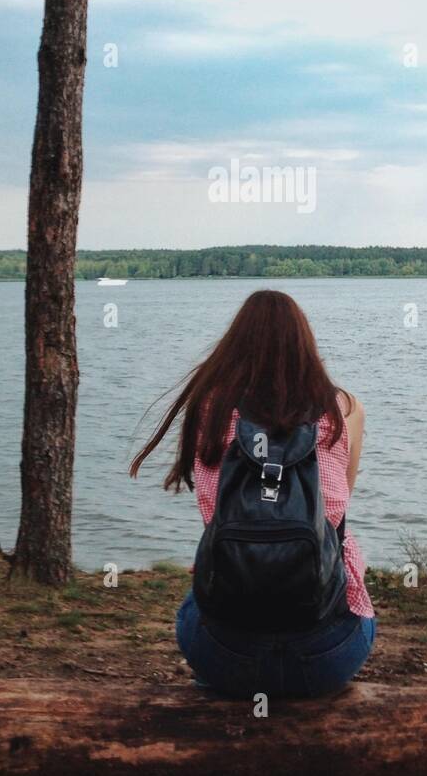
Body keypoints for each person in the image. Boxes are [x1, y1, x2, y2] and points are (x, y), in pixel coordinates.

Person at [129, 289, 375, 698]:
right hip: (327, 653)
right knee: (349, 593)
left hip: (227, 654)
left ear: (235, 346)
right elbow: (335, 519)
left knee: (197, 609)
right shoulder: (344, 410)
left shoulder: (210, 409)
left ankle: (223, 692)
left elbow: (215, 515)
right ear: (305, 345)